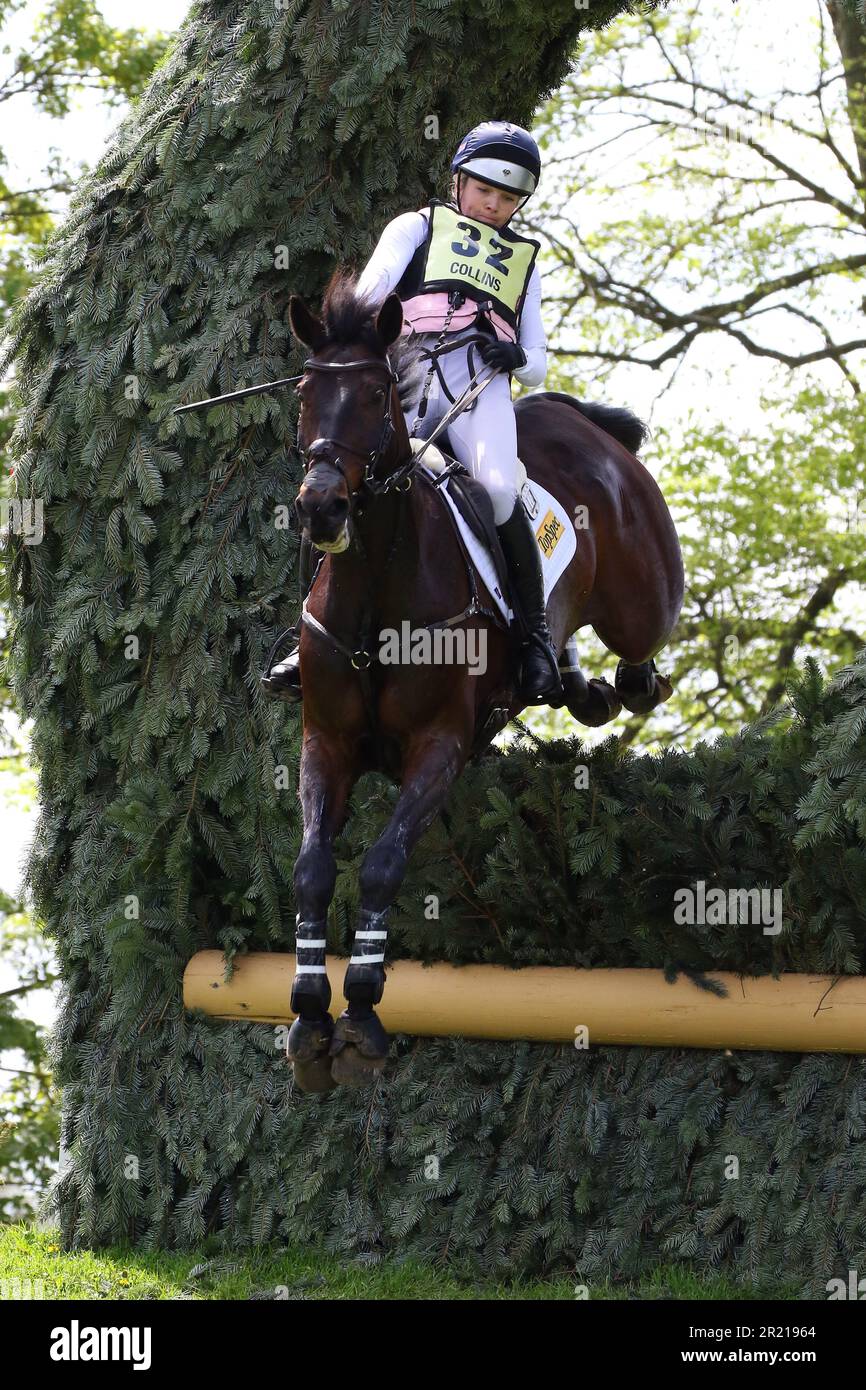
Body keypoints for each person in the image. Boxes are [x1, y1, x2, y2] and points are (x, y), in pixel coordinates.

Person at [265, 120, 561, 704]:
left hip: (480, 389)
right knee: (338, 481)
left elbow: (539, 366)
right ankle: (306, 638)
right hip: (403, 381)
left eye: (507, 198)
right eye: (484, 191)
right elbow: (372, 293)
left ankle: (536, 641)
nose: (494, 205)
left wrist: (517, 355)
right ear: (458, 181)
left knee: (499, 490)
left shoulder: (527, 265)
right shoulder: (416, 227)